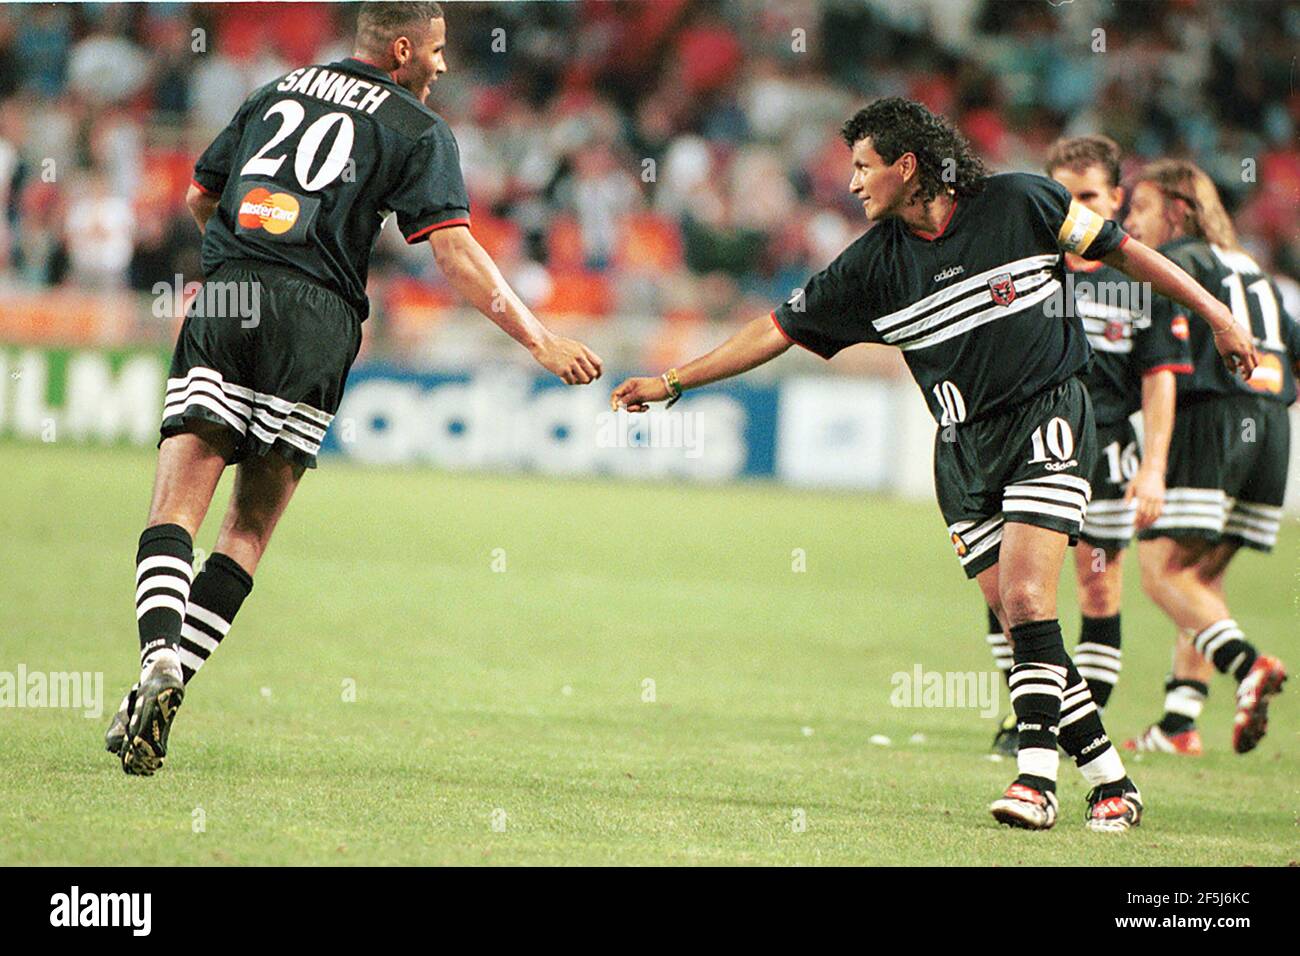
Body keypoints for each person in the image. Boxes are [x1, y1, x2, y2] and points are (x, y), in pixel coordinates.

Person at [611, 98, 1257, 831]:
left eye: (862, 167)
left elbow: (1125, 253)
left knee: (1025, 600)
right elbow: (774, 330)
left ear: (906, 166)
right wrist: (672, 382)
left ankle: (1035, 782)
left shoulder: (1021, 201)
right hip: (960, 450)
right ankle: (1110, 780)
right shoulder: (871, 269)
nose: (851, 184)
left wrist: (1220, 316)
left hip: (1047, 415)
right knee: (1023, 625)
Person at [107, 1, 603, 775]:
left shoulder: (276, 88)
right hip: (320, 319)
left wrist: (244, 256)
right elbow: (455, 253)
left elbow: (202, 197)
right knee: (248, 529)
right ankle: (173, 682)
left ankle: (155, 661)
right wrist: (539, 340)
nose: (442, 65)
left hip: (233, 290)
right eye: (437, 51)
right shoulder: (416, 127)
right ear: (403, 49)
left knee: (175, 506)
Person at [985, 136, 1193, 757]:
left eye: (1089, 196)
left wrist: (1152, 468)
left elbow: (1161, 382)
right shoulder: (1021, 270)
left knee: (1097, 586)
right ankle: (1035, 714)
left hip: (1104, 449)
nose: (1074, 208)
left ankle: (1082, 725)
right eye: (1063, 196)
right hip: (1022, 446)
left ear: (1116, 198)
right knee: (1006, 589)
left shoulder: (1140, 280)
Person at [1123, 160, 1293, 756]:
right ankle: (1179, 722)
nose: (1128, 222)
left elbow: (1161, 364)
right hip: (1271, 425)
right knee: (1203, 577)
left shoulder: (1182, 263)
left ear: (1178, 210)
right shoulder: (1255, 271)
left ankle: (1248, 666)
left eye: (1139, 208)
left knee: (1161, 570)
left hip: (1211, 417)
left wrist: (1154, 462)